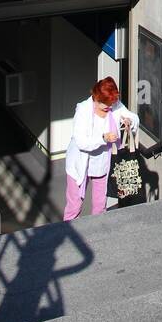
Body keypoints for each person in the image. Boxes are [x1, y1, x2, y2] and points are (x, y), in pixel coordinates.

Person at [63, 77, 139, 220]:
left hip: (101, 162)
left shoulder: (114, 105)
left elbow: (133, 116)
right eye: (105, 104)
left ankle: (98, 235)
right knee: (74, 206)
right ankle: (66, 232)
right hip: (79, 163)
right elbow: (81, 142)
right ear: (96, 98)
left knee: (100, 205)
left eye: (111, 103)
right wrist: (103, 139)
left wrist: (129, 120)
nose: (109, 107)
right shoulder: (83, 110)